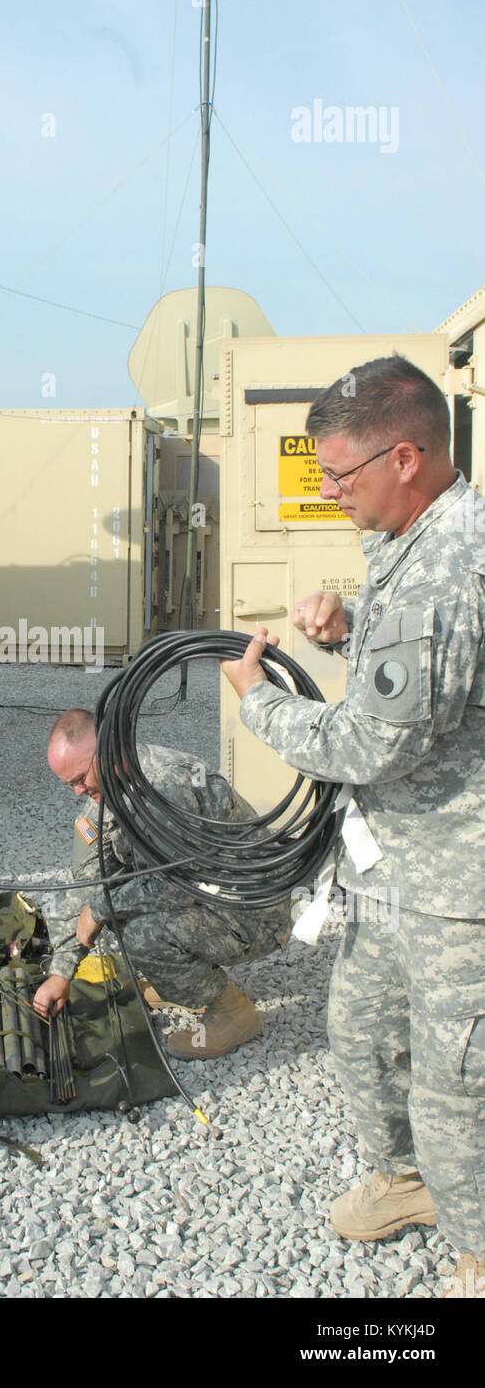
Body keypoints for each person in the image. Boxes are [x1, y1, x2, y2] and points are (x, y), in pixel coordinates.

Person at [220, 355, 485, 1298]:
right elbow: (423, 659)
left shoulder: (447, 568)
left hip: (458, 883)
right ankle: (409, 1184)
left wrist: (260, 705)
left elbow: (374, 741)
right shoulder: (415, 551)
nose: (329, 492)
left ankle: (479, 1250)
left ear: (405, 457)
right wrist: (350, 625)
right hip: (395, 866)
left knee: (458, 1080)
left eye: (341, 474)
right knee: (363, 1030)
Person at [32, 709, 292, 1059]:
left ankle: (233, 1013)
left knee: (140, 934)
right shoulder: (106, 789)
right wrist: (61, 971)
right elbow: (86, 880)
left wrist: (99, 911)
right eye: (70, 785)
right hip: (208, 897)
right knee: (119, 905)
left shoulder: (166, 786)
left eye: (80, 779)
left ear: (103, 753)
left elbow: (176, 886)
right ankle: (177, 979)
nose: (78, 791)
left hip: (253, 909)